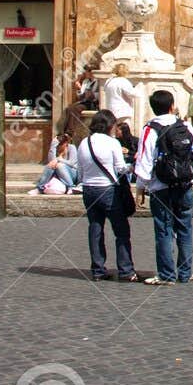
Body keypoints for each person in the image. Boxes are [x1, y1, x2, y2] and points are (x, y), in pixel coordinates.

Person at [134, 89, 193, 286]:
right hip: (186, 185)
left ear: (153, 108)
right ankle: (185, 273)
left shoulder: (150, 129)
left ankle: (167, 275)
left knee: (164, 230)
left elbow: (144, 162)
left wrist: (140, 188)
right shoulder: (185, 126)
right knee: (185, 229)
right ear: (172, 106)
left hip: (160, 186)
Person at [77, 109, 137, 281]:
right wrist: (131, 167)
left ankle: (98, 270)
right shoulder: (112, 143)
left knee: (95, 228)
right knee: (121, 230)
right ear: (110, 125)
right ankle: (126, 270)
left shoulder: (83, 143)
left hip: (88, 189)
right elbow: (120, 168)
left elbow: (80, 172)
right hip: (108, 190)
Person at [34, 129, 79, 195]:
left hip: (72, 174)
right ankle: (39, 188)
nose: (59, 146)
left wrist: (58, 159)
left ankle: (71, 187)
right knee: (50, 165)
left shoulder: (72, 148)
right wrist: (53, 146)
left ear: (66, 143)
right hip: (59, 174)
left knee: (59, 165)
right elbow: (51, 161)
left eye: (60, 144)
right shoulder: (55, 150)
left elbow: (72, 163)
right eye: (57, 145)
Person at [101, 61, 138, 129]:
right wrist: (137, 89)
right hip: (122, 111)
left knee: (113, 131)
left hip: (111, 110)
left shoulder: (109, 81)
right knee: (123, 132)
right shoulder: (123, 81)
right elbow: (132, 94)